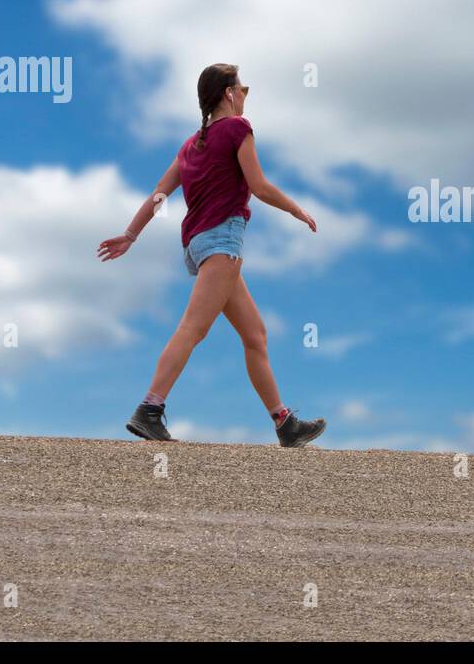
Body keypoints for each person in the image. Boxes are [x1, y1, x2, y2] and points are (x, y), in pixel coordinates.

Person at [97, 63, 326, 448]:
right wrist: (296, 210)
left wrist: (131, 234)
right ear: (228, 94)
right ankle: (149, 409)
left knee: (255, 335)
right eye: (244, 89)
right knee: (193, 328)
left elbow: (160, 192)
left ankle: (284, 423)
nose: (245, 96)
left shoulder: (191, 145)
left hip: (199, 244)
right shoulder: (238, 129)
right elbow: (260, 186)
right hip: (223, 241)